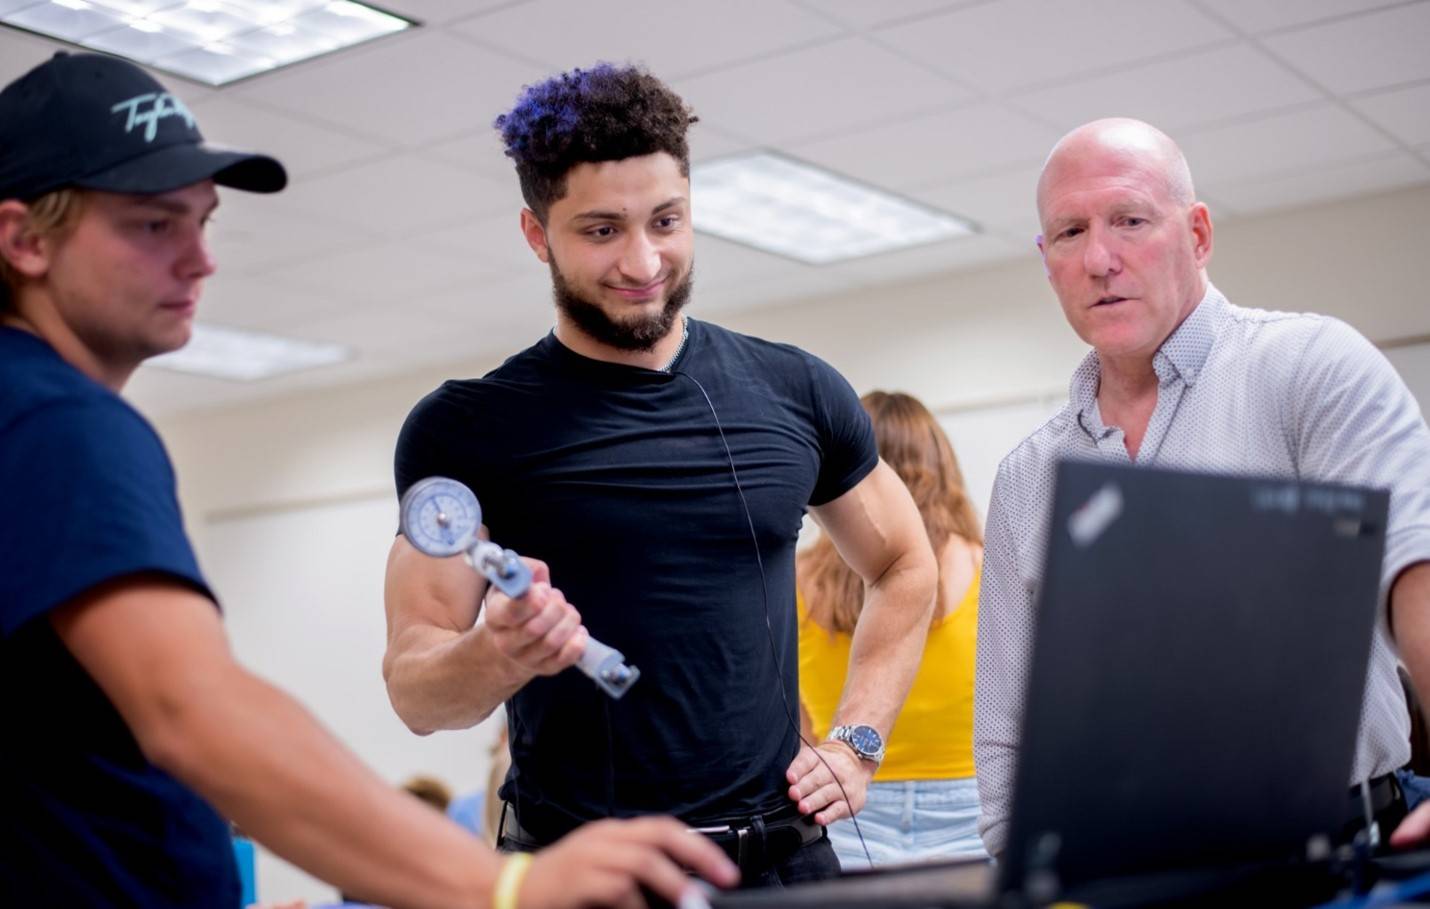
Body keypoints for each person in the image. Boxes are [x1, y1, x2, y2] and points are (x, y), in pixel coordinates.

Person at [0, 51, 736, 909]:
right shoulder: (55, 421)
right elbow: (196, 710)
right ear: (24, 239)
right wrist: (501, 882)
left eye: (202, 222)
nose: (201, 260)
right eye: (154, 226)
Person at [383, 63, 938, 887]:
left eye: (665, 221)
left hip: (782, 863)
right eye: (601, 230)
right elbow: (416, 687)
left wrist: (858, 738)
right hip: (581, 877)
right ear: (538, 235)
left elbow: (904, 564)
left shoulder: (795, 389)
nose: (643, 261)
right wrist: (496, 654)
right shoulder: (467, 428)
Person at [972, 117, 1430, 858]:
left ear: (1198, 234)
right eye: (1069, 232)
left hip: (1338, 855)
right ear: (1046, 259)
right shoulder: (1028, 476)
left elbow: (1414, 562)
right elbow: (1007, 720)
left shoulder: (1308, 368)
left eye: (1129, 221)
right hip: (1125, 870)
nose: (1098, 257)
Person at [798, 391, 986, 867]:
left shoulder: (799, 580)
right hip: (972, 808)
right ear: (941, 467)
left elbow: (794, 728)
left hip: (842, 802)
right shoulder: (988, 564)